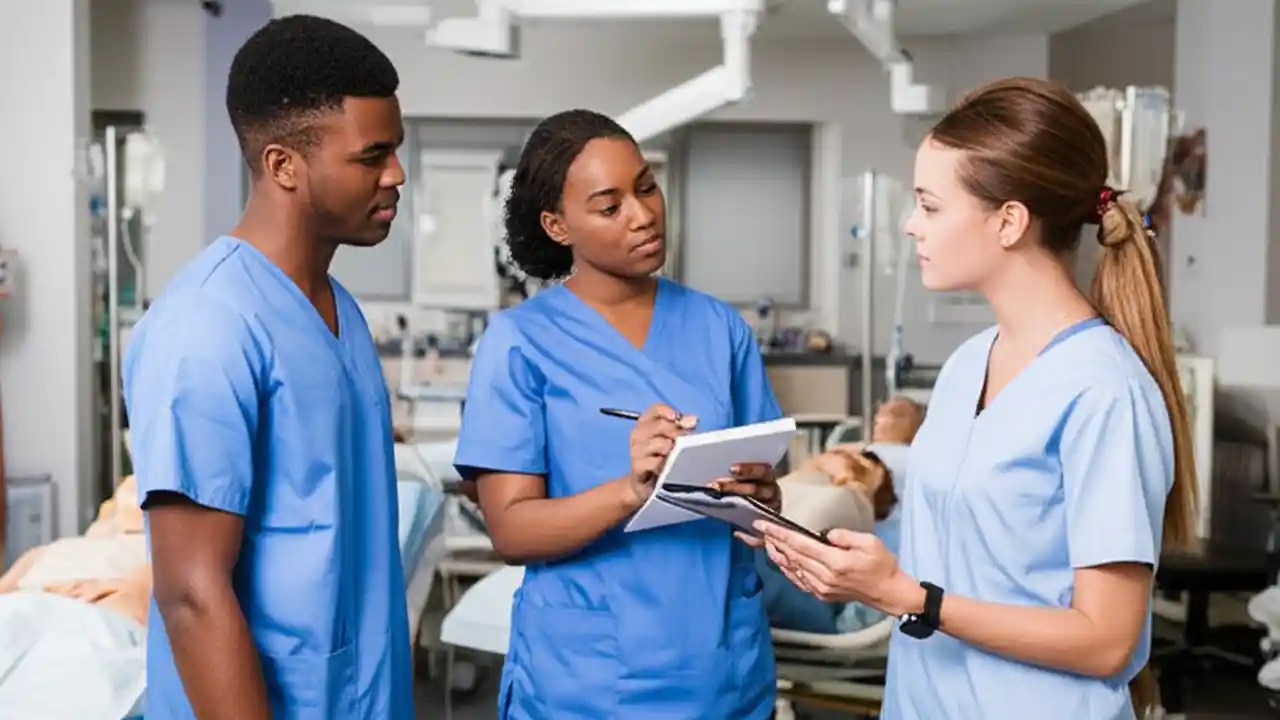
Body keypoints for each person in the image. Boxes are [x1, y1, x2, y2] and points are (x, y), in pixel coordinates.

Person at [755, 76, 1198, 720]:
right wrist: (818, 553)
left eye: (930, 206)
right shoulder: (968, 366)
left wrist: (910, 598)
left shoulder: (1106, 392)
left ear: (1009, 221)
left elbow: (1106, 641)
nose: (911, 226)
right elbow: (969, 555)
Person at [122, 15, 413, 719]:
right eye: (372, 156)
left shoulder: (337, 308)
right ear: (283, 165)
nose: (396, 175)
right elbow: (191, 593)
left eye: (396, 151)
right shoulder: (208, 325)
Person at [452, 109, 783, 719]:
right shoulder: (521, 342)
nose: (643, 214)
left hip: (719, 668)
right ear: (558, 225)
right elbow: (512, 530)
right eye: (609, 207)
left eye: (646, 187)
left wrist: (761, 495)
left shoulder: (720, 329)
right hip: (586, 678)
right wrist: (629, 492)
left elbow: (761, 504)